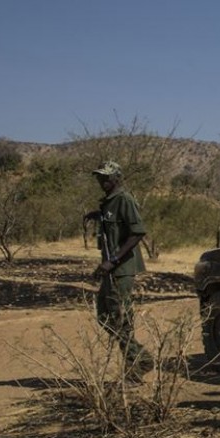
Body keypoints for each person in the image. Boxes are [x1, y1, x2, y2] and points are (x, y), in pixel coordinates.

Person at [84, 161, 154, 384]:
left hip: (121, 269)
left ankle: (137, 363)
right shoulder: (109, 203)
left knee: (119, 316)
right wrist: (98, 215)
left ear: (116, 178)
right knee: (105, 316)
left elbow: (137, 232)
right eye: (99, 177)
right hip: (110, 267)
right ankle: (138, 357)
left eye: (105, 177)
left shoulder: (124, 199)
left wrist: (113, 260)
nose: (101, 181)